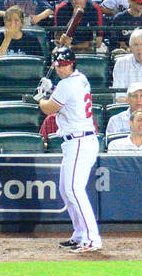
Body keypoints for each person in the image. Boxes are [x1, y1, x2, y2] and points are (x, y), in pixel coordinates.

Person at [32, 46, 102, 251]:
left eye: (65, 65)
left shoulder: (68, 84)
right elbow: (64, 96)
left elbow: (48, 109)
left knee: (74, 189)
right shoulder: (80, 79)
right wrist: (52, 89)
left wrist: (40, 96)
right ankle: (79, 234)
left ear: (72, 64)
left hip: (80, 140)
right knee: (65, 189)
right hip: (77, 141)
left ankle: (92, 238)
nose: (61, 68)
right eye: (59, 65)